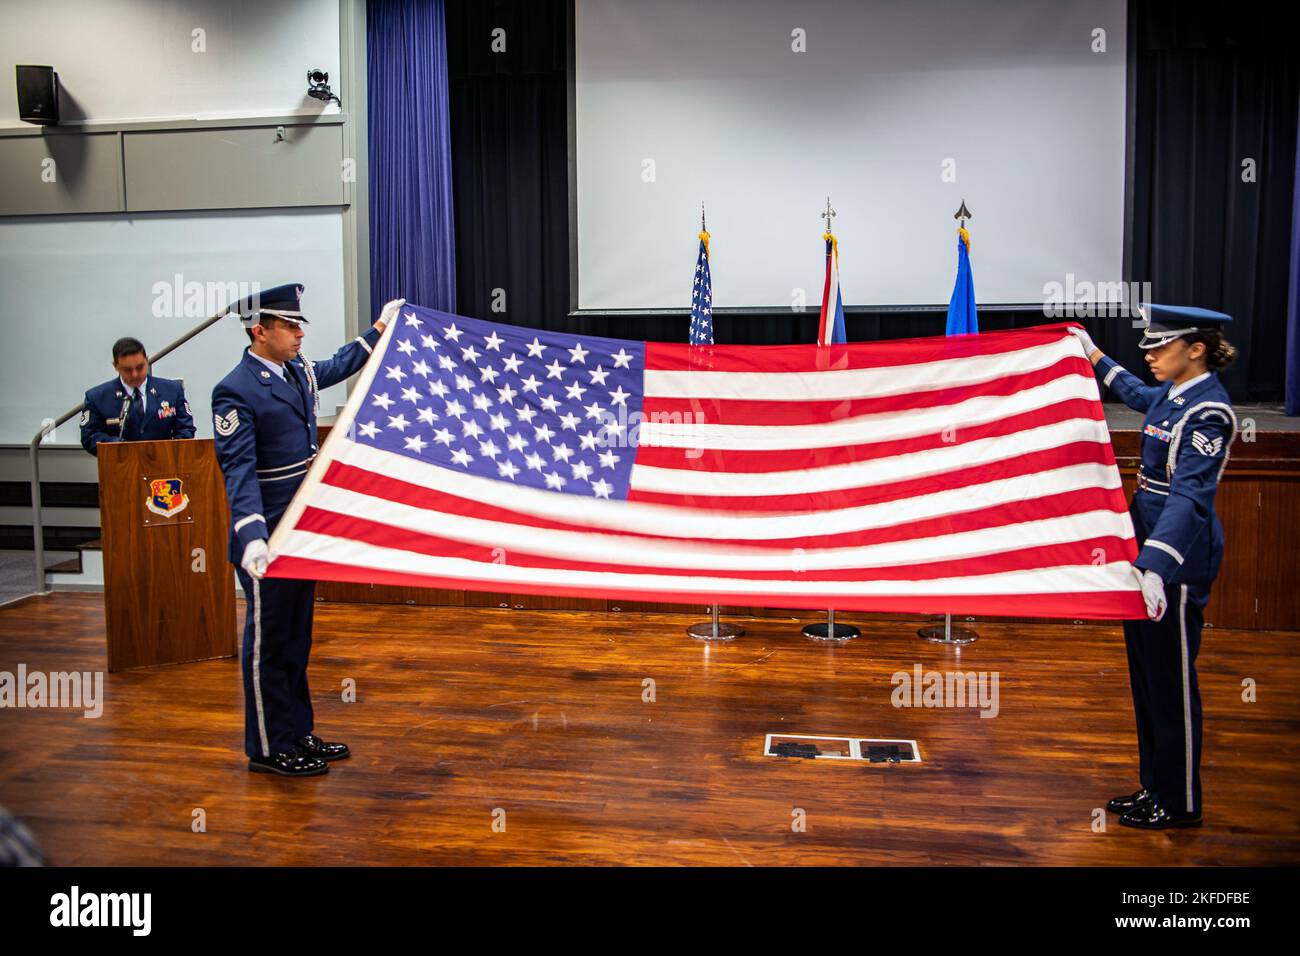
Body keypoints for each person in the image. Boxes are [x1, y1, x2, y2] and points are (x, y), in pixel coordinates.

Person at [211, 283, 404, 778]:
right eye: (290, 326)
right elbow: (239, 470)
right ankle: (269, 747)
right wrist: (252, 534)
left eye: (299, 326)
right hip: (267, 537)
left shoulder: (295, 371)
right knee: (267, 644)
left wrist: (380, 327)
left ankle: (297, 731)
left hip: (299, 531)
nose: (299, 334)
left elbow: (337, 365)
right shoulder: (236, 389)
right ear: (261, 330)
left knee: (296, 638)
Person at [1069, 304, 1238, 829]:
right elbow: (1139, 396)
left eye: (1160, 348)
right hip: (1143, 557)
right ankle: (1155, 786)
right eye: (1147, 347)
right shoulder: (1174, 396)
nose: (1150, 357)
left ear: (1196, 349)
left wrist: (1158, 568)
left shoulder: (1209, 412)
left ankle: (1181, 801)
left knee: (1172, 684)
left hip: (1175, 566)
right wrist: (1093, 353)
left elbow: (1190, 500)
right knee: (1146, 678)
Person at [79, 337, 195, 455]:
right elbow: (90, 436)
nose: (135, 374)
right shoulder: (97, 397)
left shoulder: (172, 390)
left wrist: (169, 451)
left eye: (140, 367)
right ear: (115, 366)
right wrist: (115, 445)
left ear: (147, 360)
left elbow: (186, 429)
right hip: (120, 466)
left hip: (165, 465)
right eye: (127, 370)